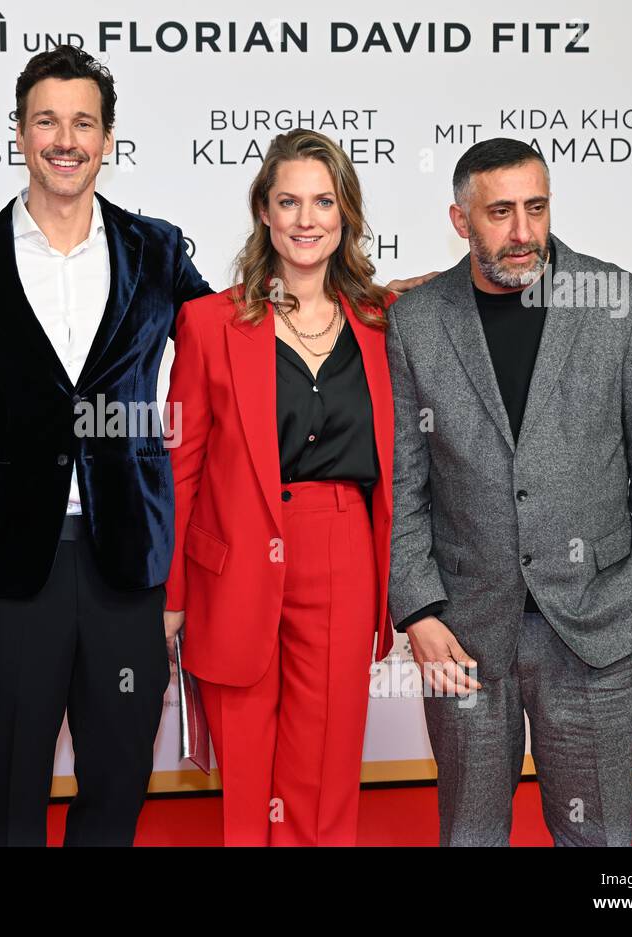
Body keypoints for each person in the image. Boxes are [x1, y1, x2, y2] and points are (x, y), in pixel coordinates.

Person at [0, 46, 212, 846]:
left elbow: (232, 347)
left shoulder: (157, 252)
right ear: (18, 133)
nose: (65, 138)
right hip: (11, 560)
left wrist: (376, 296)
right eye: (46, 119)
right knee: (11, 784)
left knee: (118, 778)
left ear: (108, 138)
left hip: (127, 556)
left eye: (83, 121)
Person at [386, 137, 632, 846]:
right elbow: (407, 483)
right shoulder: (417, 320)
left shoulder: (619, 303)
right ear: (461, 221)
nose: (523, 232)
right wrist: (419, 611)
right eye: (499, 212)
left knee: (601, 840)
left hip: (599, 626)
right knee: (471, 836)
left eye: (536, 207)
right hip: (462, 635)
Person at [164, 129, 398, 846]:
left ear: (346, 214)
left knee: (323, 767)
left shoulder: (385, 321)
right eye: (288, 201)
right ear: (263, 211)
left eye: (323, 202)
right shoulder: (208, 323)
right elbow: (181, 469)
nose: (306, 219)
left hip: (341, 551)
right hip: (235, 557)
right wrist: (171, 596)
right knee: (246, 774)